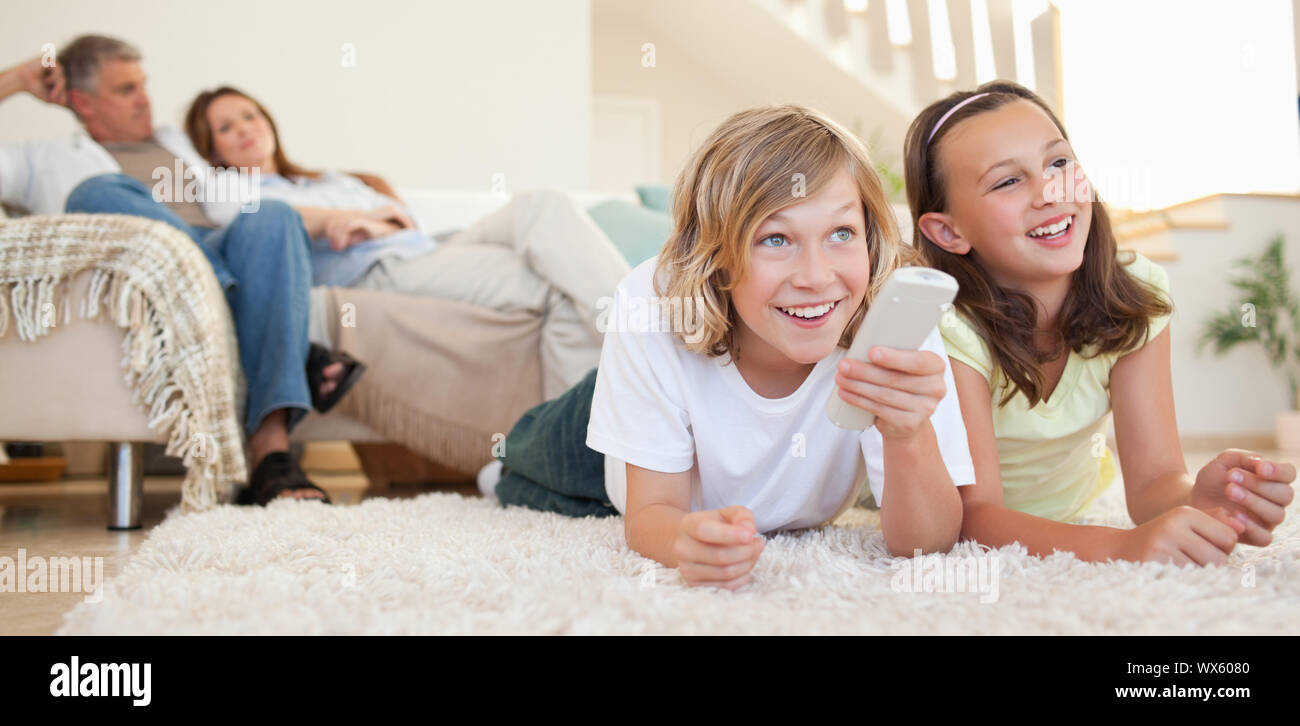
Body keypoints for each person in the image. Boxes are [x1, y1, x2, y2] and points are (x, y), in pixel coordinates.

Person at [480, 105, 978, 590]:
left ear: (869, 237)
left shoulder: (892, 319)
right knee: (520, 472)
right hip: (611, 445)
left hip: (709, 464)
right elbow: (649, 513)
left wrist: (908, 435)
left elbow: (925, 544)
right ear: (716, 256)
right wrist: (681, 542)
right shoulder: (650, 304)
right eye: (776, 239)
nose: (815, 277)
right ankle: (499, 469)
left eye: (841, 233)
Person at [905, 80, 1297, 566]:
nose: (1050, 192)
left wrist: (1199, 498)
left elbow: (1154, 483)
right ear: (948, 231)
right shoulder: (949, 326)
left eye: (1059, 162)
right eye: (1008, 181)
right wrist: (1119, 547)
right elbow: (975, 516)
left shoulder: (1136, 292)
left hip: (1071, 512)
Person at [0, 36, 356, 504]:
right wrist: (18, 80)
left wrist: (337, 215)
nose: (144, 98)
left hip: (217, 249)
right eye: (126, 89)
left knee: (273, 215)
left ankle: (271, 455)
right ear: (81, 101)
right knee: (94, 192)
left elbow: (237, 199)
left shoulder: (175, 142)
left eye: (143, 84)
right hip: (154, 272)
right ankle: (243, 308)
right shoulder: (40, 160)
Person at [184, 87, 631, 400]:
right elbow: (274, 224)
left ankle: (636, 330)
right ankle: (637, 354)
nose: (245, 129)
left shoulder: (329, 179)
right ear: (213, 150)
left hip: (425, 246)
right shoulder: (232, 193)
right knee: (555, 287)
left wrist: (371, 222)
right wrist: (349, 220)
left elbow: (402, 219)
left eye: (250, 115)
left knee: (542, 204)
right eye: (225, 128)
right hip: (382, 270)